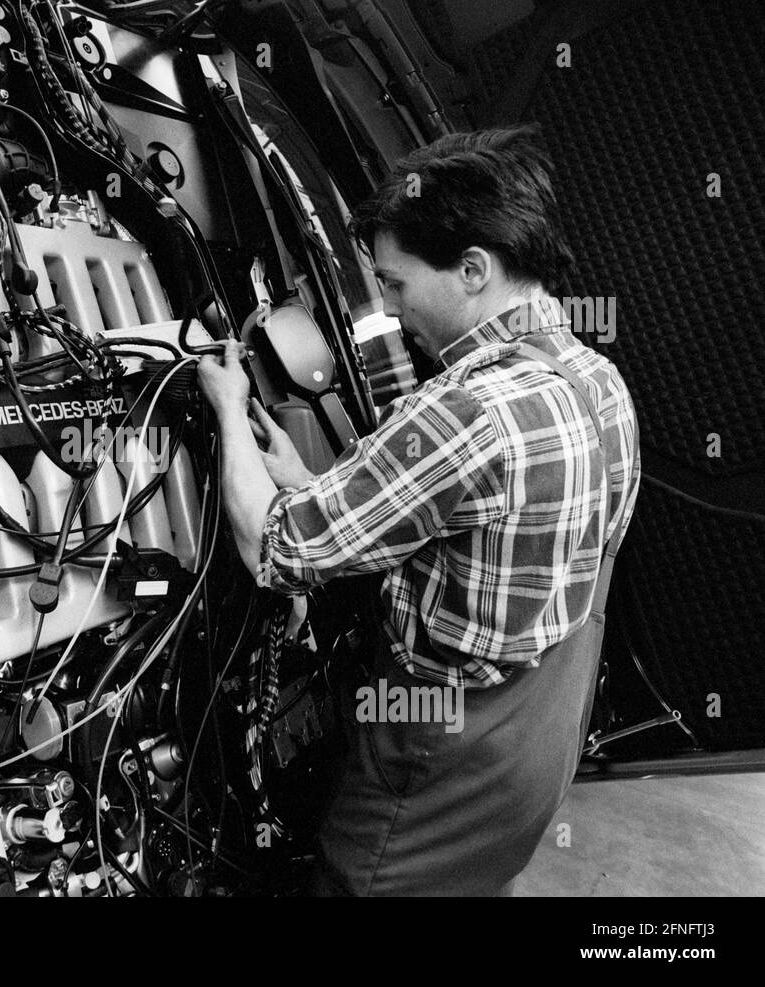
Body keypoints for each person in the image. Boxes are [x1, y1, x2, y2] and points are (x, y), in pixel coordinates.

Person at [195, 125, 641, 896]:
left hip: (444, 757)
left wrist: (230, 412)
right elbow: (470, 535)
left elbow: (276, 551)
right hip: (537, 748)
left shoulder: (467, 410)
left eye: (396, 284)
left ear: (473, 269)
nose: (394, 311)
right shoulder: (597, 380)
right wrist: (303, 475)